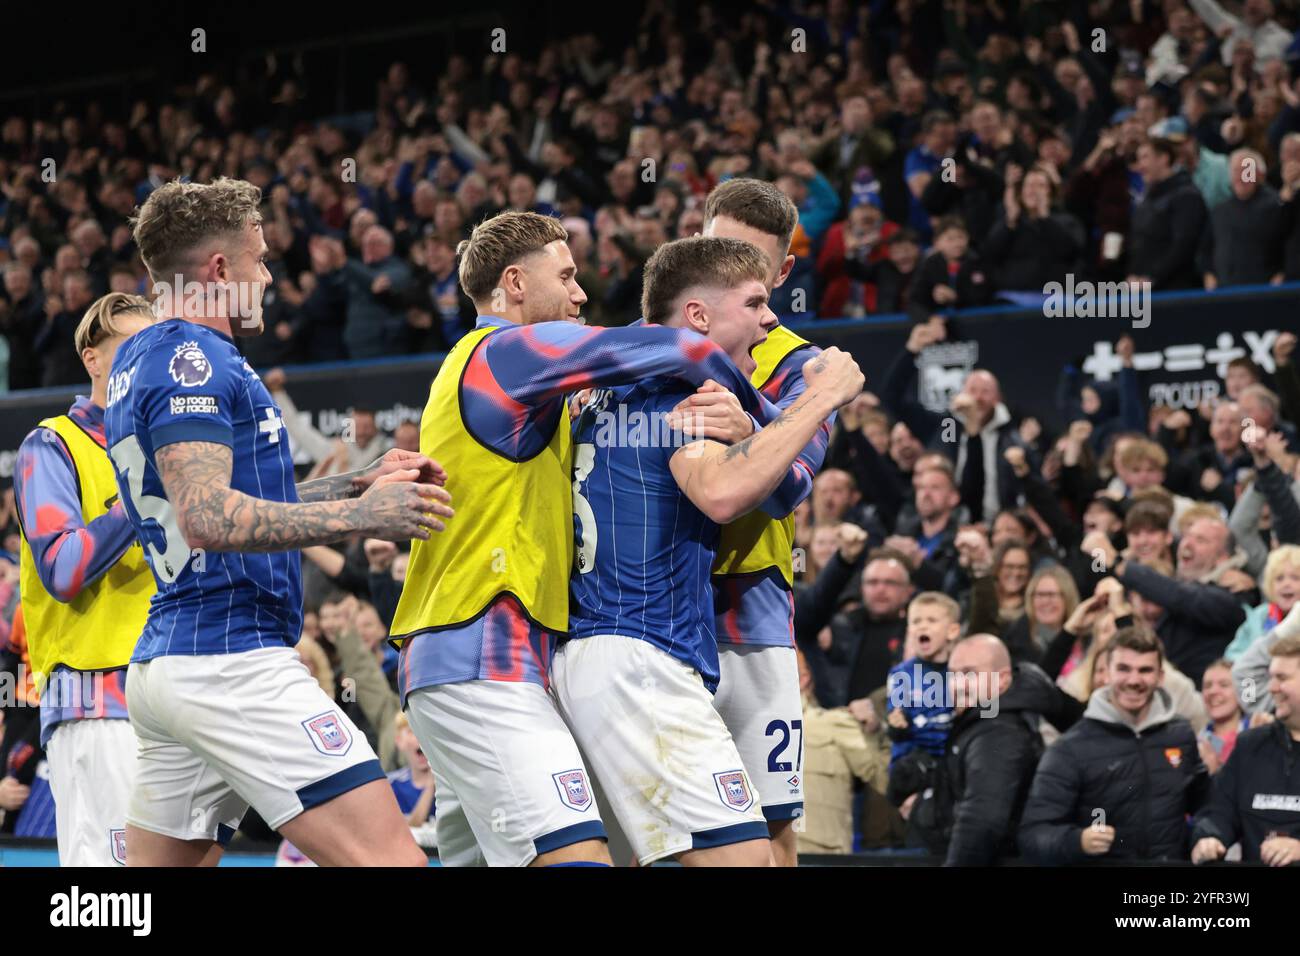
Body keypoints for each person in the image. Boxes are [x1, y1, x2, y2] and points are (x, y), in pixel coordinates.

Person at [387, 211, 786, 867]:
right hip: (484, 657)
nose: (580, 295)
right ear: (514, 283)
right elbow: (680, 348)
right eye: (566, 276)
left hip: (475, 658)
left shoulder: (515, 381)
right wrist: (768, 418)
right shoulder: (506, 352)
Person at [106, 178, 450, 867]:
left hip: (175, 660)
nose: (267, 277)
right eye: (259, 261)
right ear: (219, 271)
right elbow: (207, 518)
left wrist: (355, 481)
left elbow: (233, 497)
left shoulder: (149, 358)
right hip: (229, 662)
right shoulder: (191, 360)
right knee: (397, 862)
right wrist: (361, 513)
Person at [552, 236, 862, 867]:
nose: (770, 318)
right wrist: (822, 399)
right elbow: (726, 494)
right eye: (754, 302)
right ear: (696, 316)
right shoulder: (677, 387)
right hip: (642, 652)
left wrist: (754, 425)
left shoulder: (603, 387)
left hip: (591, 652)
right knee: (747, 858)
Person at [704, 178, 833, 865]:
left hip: (749, 614)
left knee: (769, 826)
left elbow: (786, 488)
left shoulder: (806, 367)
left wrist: (750, 424)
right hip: (646, 617)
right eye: (717, 252)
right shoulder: (635, 344)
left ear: (783, 272)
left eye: (749, 266)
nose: (728, 278)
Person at [13, 293, 155, 865]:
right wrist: (145, 488)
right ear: (93, 359)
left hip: (173, 693)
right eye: (129, 347)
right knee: (114, 891)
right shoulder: (49, 445)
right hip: (95, 700)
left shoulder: (169, 449)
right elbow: (64, 568)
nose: (144, 361)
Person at [1018, 627, 1210, 864]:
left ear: (1160, 677)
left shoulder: (1180, 735)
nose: (1134, 680)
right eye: (1123, 669)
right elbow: (1033, 833)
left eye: (1145, 670)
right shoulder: (1069, 748)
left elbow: (1207, 804)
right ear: (1106, 674)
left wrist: (1208, 834)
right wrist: (1077, 841)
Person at [911, 634, 1083, 866]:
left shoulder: (999, 732)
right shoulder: (980, 721)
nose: (958, 685)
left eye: (969, 674)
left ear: (1002, 680)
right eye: (952, 674)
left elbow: (982, 820)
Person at [1192, 633, 1300, 866]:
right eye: (1270, 677)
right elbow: (1218, 811)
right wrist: (1209, 837)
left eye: (1281, 678)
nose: (1271, 688)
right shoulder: (1250, 744)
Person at [795, 648, 889, 856]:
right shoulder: (741, 728)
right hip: (764, 854)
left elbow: (886, 780)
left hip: (820, 856)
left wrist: (878, 732)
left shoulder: (837, 723)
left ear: (803, 679)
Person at [885, 591, 962, 767]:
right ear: (908, 631)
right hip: (910, 765)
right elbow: (895, 721)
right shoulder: (901, 674)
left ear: (952, 631)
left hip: (949, 763)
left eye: (931, 620)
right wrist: (897, 722)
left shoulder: (963, 672)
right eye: (916, 621)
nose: (922, 626)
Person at [1198, 659, 1250, 774]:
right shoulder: (1195, 743)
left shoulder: (1258, 735)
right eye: (1207, 686)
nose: (1213, 691)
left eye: (1224, 685)